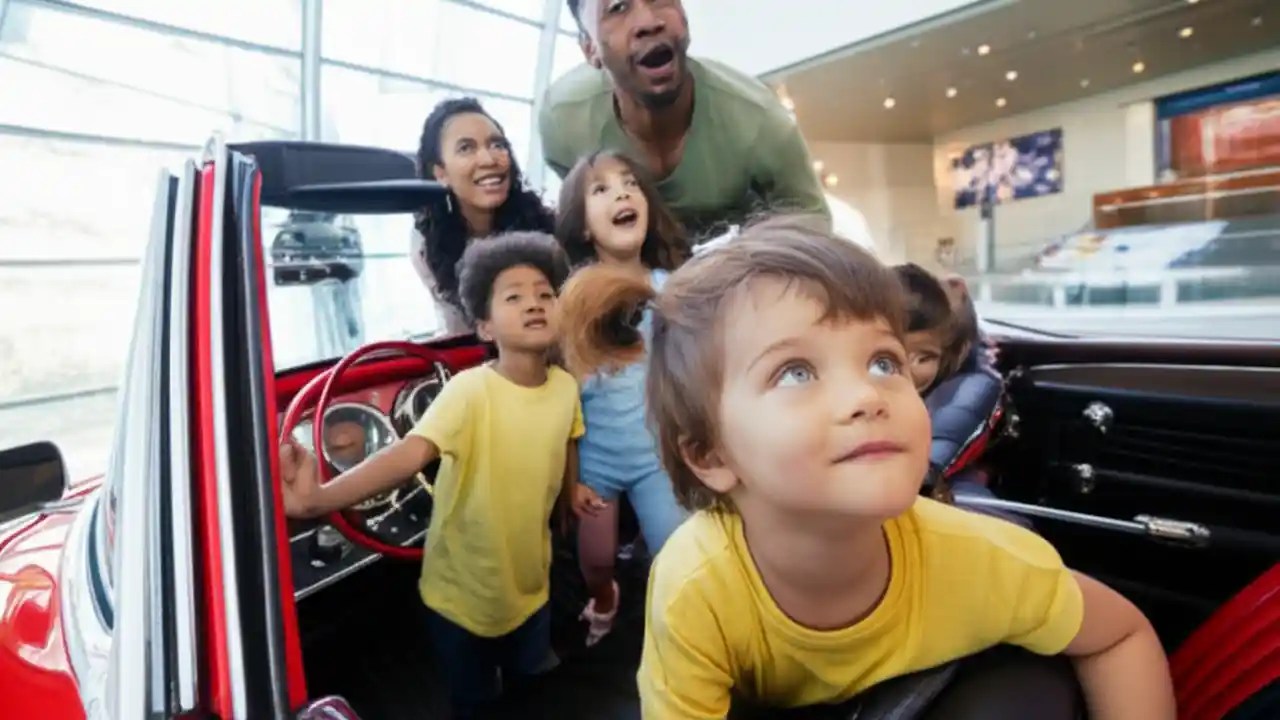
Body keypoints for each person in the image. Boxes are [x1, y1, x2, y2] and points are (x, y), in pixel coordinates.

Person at [635, 218, 1176, 719]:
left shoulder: (979, 560)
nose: (867, 396)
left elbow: (1119, 636)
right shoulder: (696, 588)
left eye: (883, 362)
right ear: (711, 455)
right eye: (795, 372)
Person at [279, 233, 597, 719]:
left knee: (532, 688)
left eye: (545, 294)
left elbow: (565, 442)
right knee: (473, 700)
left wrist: (572, 489)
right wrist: (318, 499)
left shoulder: (565, 388)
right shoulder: (470, 392)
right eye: (514, 297)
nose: (534, 303)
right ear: (485, 327)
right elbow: (406, 456)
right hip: (459, 599)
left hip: (532, 586)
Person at [539, 0, 829, 240]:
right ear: (590, 49)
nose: (648, 21)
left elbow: (814, 238)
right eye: (617, 7)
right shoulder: (564, 121)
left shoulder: (760, 122)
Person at [552, 149, 691, 647]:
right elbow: (562, 401)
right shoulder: (572, 299)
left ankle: (690, 633)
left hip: (657, 455)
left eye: (630, 183)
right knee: (596, 561)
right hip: (597, 460)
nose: (623, 192)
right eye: (602, 188)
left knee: (676, 551)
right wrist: (570, 481)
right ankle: (605, 599)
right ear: (584, 226)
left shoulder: (672, 288)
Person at [412, 97, 555, 334]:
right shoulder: (426, 247)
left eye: (497, 145)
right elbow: (462, 335)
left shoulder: (549, 228)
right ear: (440, 172)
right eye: (466, 148)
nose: (489, 159)